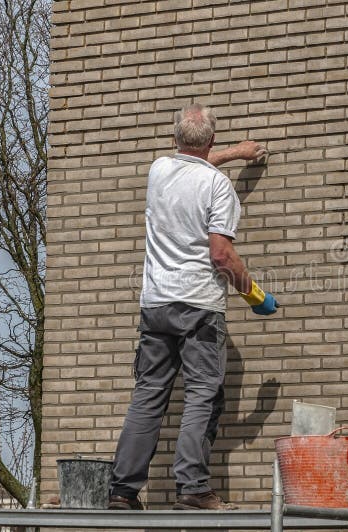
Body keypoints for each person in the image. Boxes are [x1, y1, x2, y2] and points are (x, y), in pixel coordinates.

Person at [108, 103, 278, 511]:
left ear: (174, 140)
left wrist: (236, 153)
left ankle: (123, 491)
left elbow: (193, 163)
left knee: (148, 395)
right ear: (211, 140)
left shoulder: (159, 170)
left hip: (155, 304)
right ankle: (194, 490)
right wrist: (256, 297)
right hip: (198, 306)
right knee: (203, 394)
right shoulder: (217, 187)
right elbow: (222, 256)